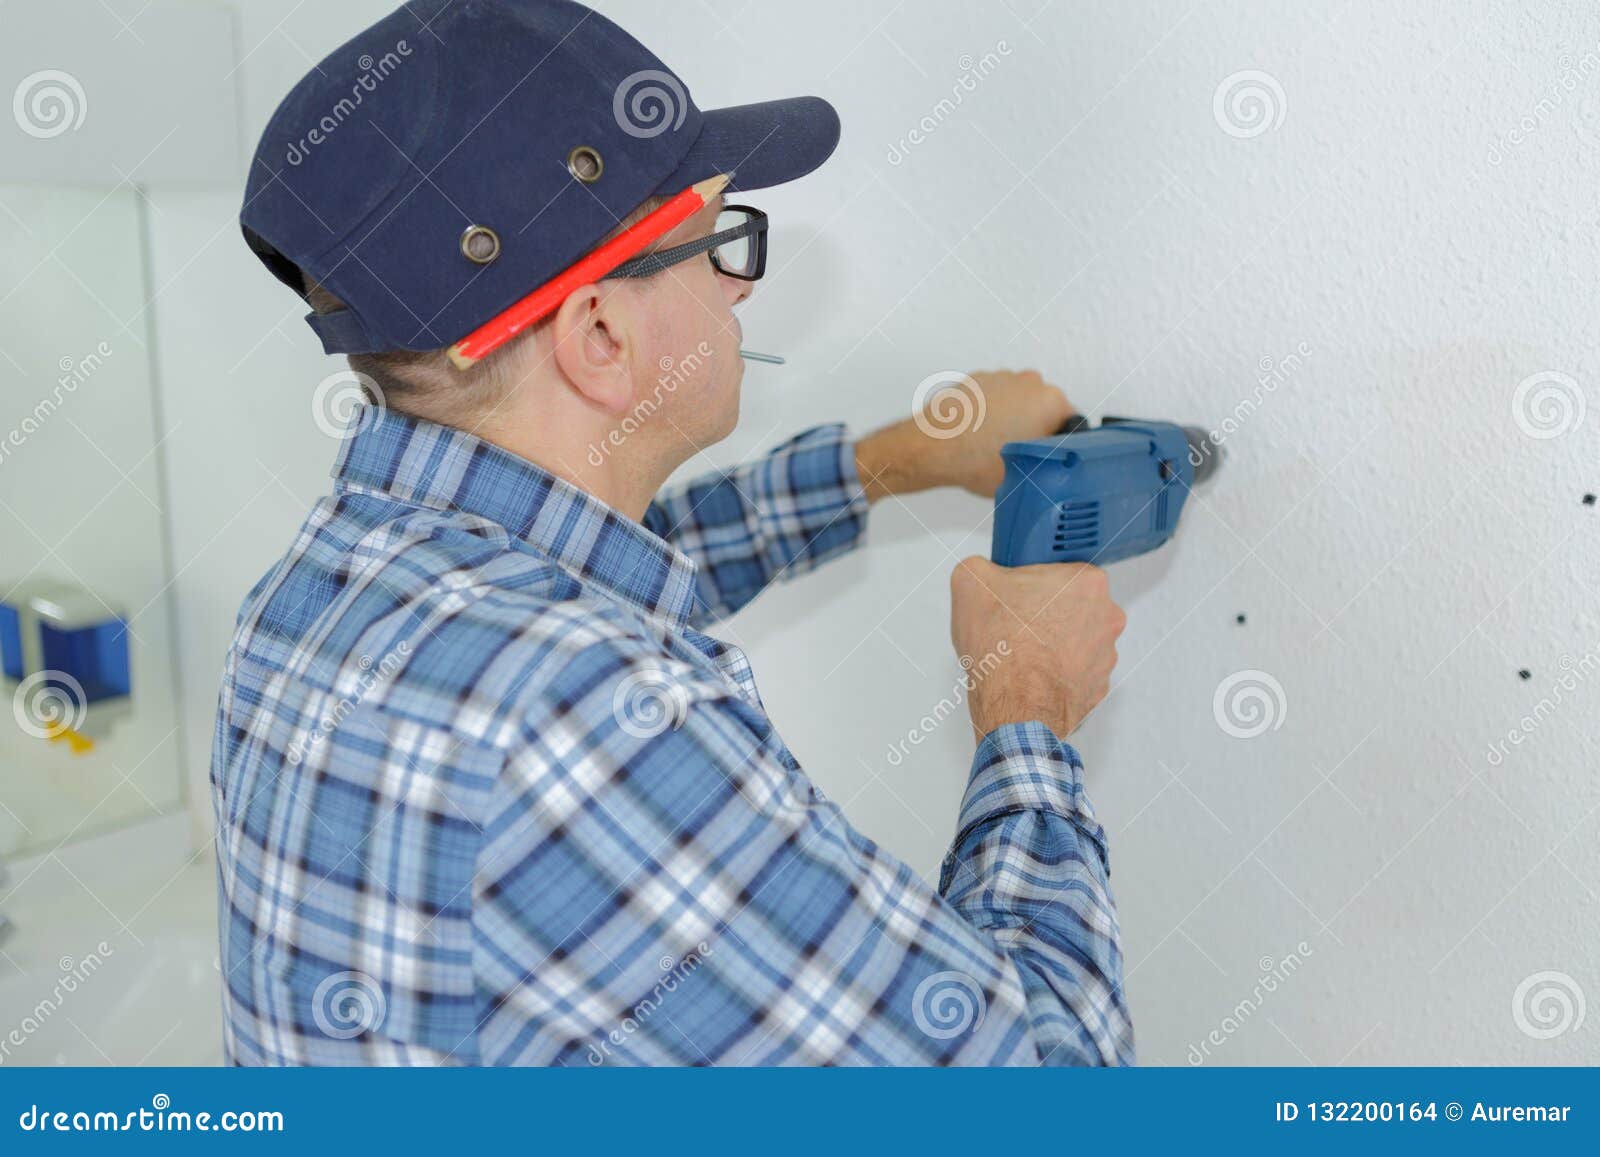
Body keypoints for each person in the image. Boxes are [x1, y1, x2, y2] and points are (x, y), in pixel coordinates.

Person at [215, 0, 1131, 1066]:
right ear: (599, 332)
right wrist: (1027, 709)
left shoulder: (327, 584)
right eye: (716, 245)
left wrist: (894, 459)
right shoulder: (588, 717)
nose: (740, 283)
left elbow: (586, 574)